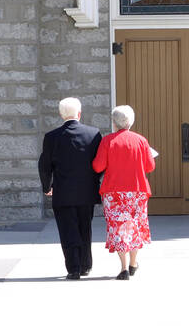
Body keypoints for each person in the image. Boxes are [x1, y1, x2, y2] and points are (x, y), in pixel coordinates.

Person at [38, 97, 103, 279]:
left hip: (63, 192)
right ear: (79, 113)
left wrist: (46, 186)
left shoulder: (51, 137)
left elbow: (44, 165)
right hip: (86, 192)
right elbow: (99, 164)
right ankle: (86, 265)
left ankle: (73, 268)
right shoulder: (94, 134)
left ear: (61, 114)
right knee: (85, 228)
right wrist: (94, 180)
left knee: (68, 231)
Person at [91, 105, 155, 280]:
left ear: (114, 123)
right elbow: (150, 166)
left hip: (114, 191)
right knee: (135, 225)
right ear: (131, 121)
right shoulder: (141, 140)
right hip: (137, 190)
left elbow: (98, 166)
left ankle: (124, 268)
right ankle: (134, 262)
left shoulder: (108, 141)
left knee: (118, 227)